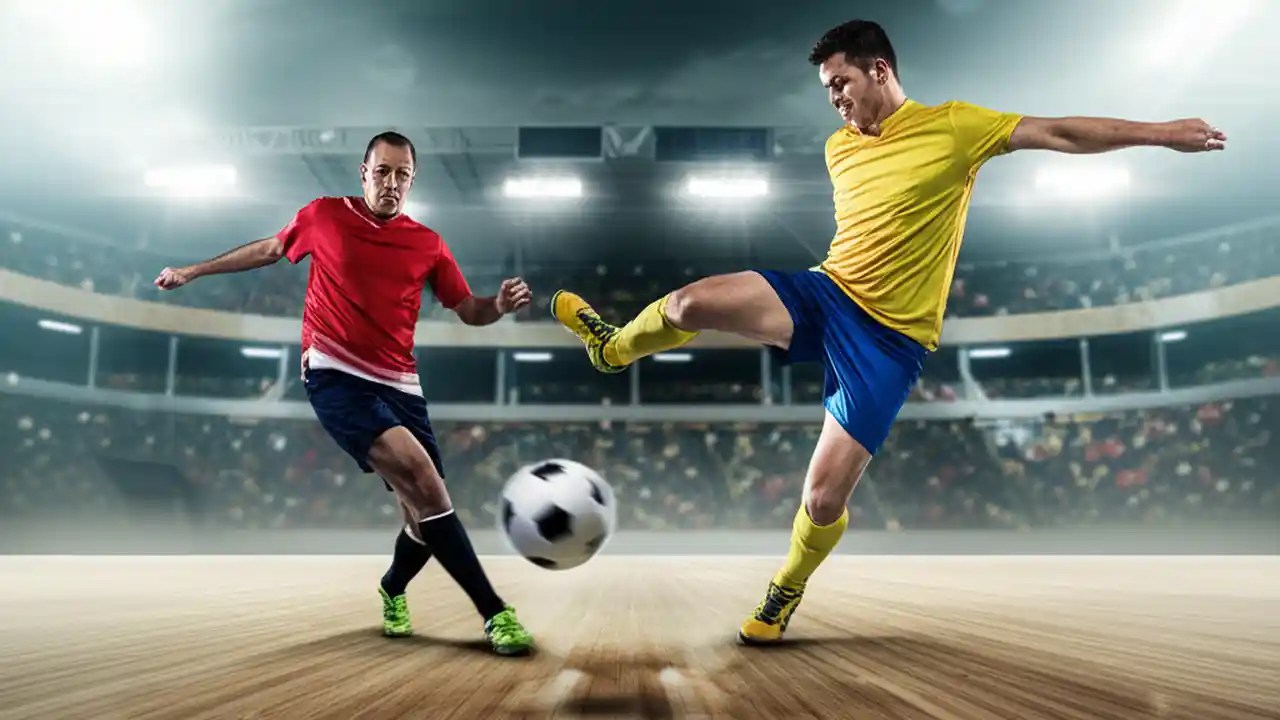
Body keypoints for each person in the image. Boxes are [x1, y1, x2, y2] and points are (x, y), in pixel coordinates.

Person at [549, 19, 1228, 645]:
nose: (834, 100)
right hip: (827, 294)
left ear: (880, 70)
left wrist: (1162, 133)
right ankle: (612, 348)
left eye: (840, 83)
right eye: (826, 89)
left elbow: (1059, 132)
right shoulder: (838, 148)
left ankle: (785, 589)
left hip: (888, 342)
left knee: (822, 499)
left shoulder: (955, 126)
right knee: (689, 303)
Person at [154, 131, 536, 656]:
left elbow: (469, 309)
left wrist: (499, 305)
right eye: (383, 171)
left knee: (423, 516)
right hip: (334, 372)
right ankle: (495, 613)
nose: (392, 182)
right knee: (428, 486)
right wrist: (193, 270)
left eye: (402, 174)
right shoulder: (326, 215)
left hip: (400, 384)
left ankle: (392, 588)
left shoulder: (428, 244)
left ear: (412, 181)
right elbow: (270, 248)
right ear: (363, 173)